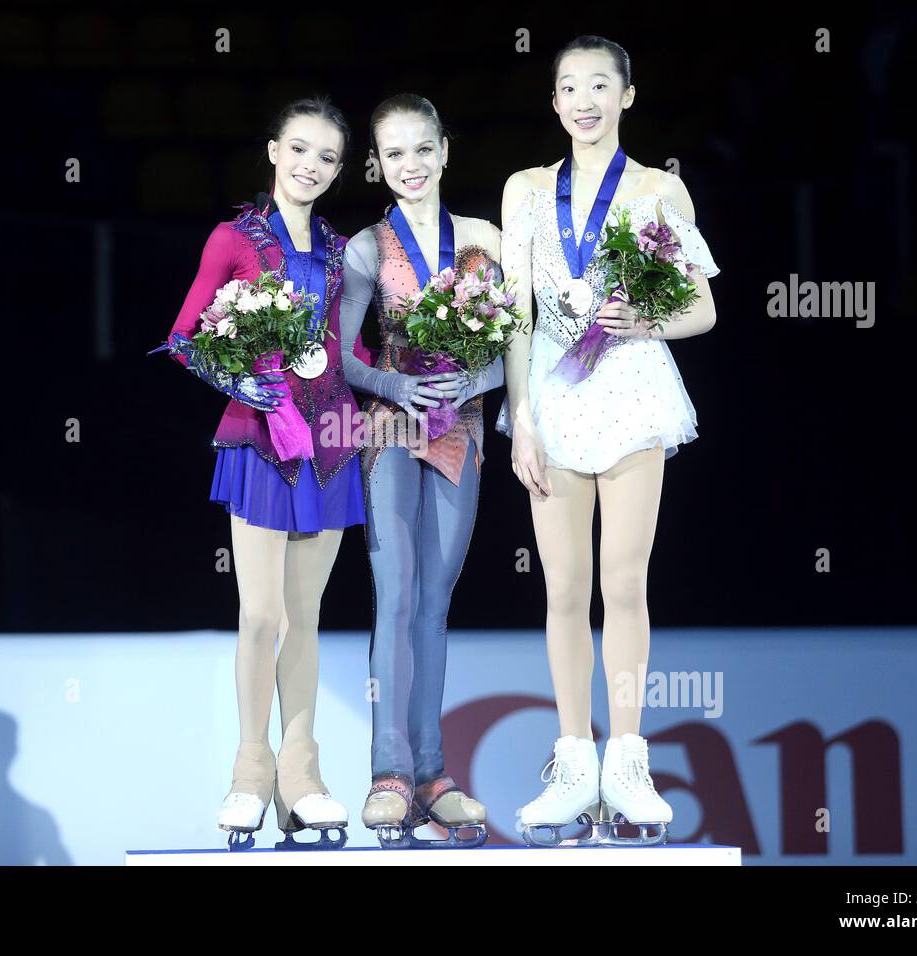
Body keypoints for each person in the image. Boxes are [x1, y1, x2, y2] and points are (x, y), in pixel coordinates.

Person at [496, 36, 720, 846]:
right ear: (554, 103)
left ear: (627, 95)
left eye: (599, 84)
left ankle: (627, 762)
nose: (583, 99)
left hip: (630, 391)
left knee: (623, 585)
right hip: (552, 398)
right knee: (561, 590)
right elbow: (515, 316)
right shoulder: (525, 189)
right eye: (567, 87)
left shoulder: (661, 189)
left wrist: (642, 319)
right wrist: (520, 416)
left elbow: (702, 310)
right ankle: (572, 764)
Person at [156, 97, 365, 847]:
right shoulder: (232, 238)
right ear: (274, 150)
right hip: (259, 439)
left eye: (328, 158)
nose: (311, 166)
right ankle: (251, 768)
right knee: (262, 616)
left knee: (306, 617)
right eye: (300, 150)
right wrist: (242, 382)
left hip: (333, 444)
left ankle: (301, 775)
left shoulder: (342, 252)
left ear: (339, 171)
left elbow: (348, 352)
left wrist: (412, 392)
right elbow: (184, 339)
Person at [339, 94, 505, 848]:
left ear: (444, 149)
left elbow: (518, 342)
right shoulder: (369, 246)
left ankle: (434, 777)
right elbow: (340, 355)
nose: (410, 165)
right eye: (394, 154)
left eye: (422, 149)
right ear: (379, 163)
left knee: (435, 600)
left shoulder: (482, 238)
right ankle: (388, 774)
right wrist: (394, 384)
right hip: (391, 427)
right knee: (396, 593)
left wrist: (477, 381)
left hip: (460, 432)